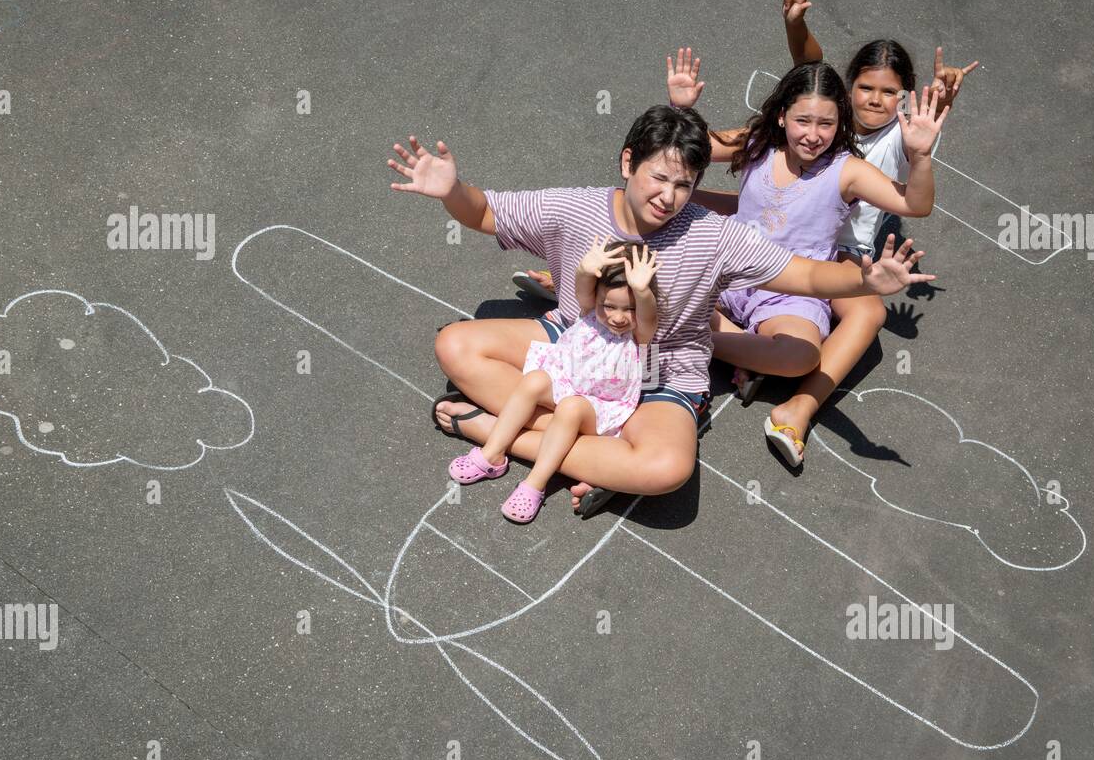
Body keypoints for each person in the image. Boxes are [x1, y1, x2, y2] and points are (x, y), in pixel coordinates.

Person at [386, 104, 933, 517]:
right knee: (454, 344)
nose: (669, 196)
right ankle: (594, 453)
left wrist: (865, 279)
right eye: (658, 177)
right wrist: (452, 189)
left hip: (662, 371)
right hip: (579, 346)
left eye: (685, 185)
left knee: (668, 468)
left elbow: (807, 274)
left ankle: (496, 433)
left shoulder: (711, 234)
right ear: (628, 162)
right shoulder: (573, 207)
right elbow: (485, 212)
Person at [664, 51, 948, 465]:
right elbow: (694, 148)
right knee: (664, 204)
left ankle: (698, 337)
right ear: (781, 116)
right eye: (803, 121)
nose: (814, 134)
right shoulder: (758, 141)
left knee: (801, 356)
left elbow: (915, 204)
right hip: (727, 272)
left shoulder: (847, 170)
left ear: (840, 124)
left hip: (789, 291)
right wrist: (681, 109)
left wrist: (920, 157)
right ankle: (726, 339)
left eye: (826, 124)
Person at [447, 239, 658, 523]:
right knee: (534, 380)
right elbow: (583, 287)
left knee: (570, 408)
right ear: (597, 298)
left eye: (629, 309)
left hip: (601, 405)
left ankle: (535, 483)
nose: (618, 317)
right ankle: (492, 454)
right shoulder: (589, 311)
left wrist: (642, 291)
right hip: (567, 378)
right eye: (609, 305)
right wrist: (586, 269)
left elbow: (648, 316)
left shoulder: (639, 335)